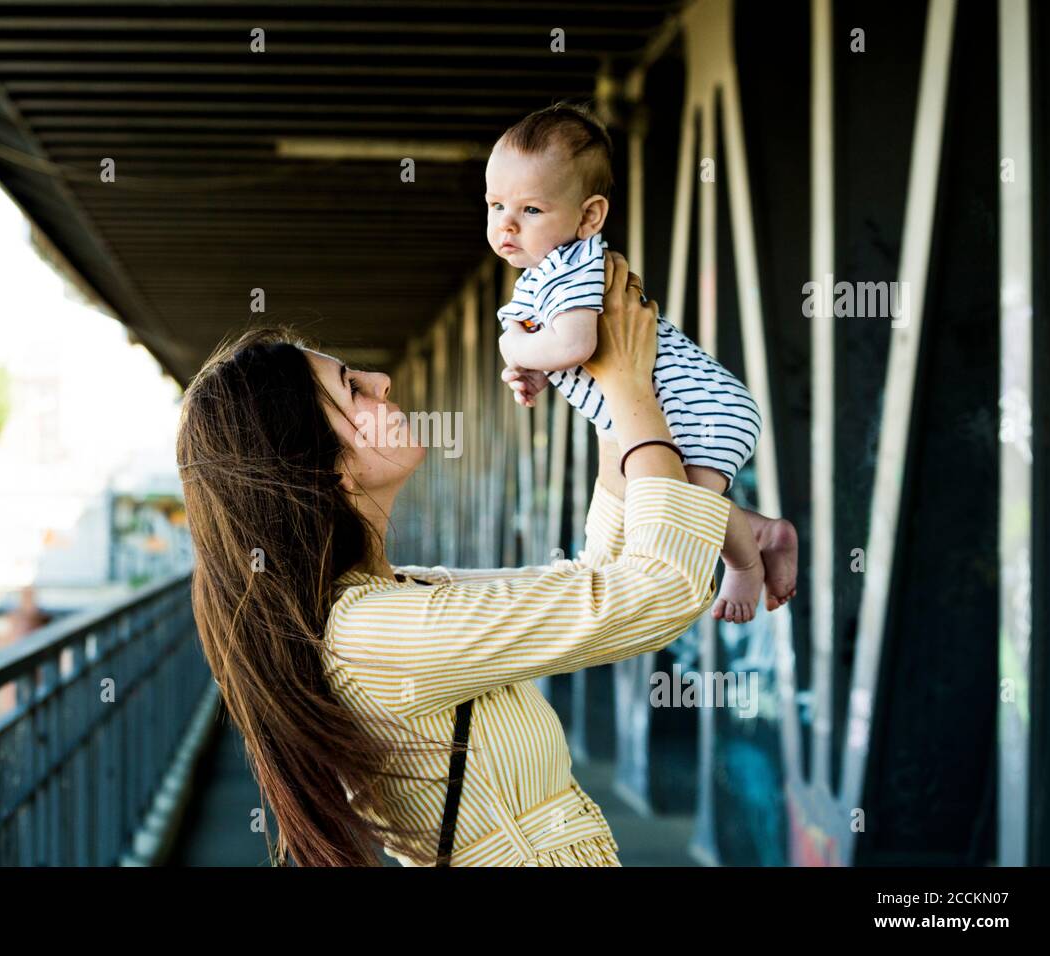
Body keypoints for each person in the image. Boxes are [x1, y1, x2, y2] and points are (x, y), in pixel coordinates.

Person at [176, 251, 731, 866]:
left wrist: (607, 407)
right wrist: (631, 391)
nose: (381, 382)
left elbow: (593, 581)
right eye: (351, 388)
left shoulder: (396, 596)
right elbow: (658, 594)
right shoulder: (373, 634)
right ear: (317, 469)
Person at [487, 101, 797, 622]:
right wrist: (538, 369)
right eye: (496, 206)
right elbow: (569, 349)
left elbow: (578, 344)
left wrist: (514, 349)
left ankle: (746, 562)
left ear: (589, 215)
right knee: (659, 509)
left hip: (702, 410)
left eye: (530, 210)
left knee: (682, 510)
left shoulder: (574, 265)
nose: (508, 225)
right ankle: (758, 530)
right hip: (667, 414)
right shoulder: (546, 274)